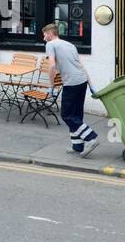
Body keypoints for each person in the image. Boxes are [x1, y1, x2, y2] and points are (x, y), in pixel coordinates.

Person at [42, 22, 98, 157]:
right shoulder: (70, 45)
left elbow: (51, 66)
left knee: (66, 115)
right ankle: (77, 146)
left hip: (71, 83)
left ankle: (90, 138)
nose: (43, 38)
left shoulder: (50, 45)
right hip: (82, 81)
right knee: (76, 114)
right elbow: (81, 65)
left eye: (44, 35)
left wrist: (51, 87)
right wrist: (91, 85)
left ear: (50, 34)